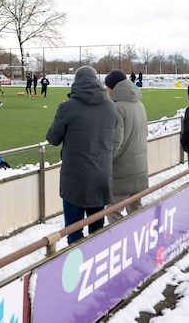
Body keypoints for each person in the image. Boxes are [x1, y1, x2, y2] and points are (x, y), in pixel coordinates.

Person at [46, 65, 116, 244]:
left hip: (75, 180)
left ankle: (77, 269)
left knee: (74, 231)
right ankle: (96, 265)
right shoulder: (110, 106)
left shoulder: (68, 107)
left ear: (76, 82)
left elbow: (53, 138)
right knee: (97, 230)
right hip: (100, 176)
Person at [104, 69, 149, 222]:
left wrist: (104, 163)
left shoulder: (116, 108)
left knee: (113, 212)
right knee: (136, 211)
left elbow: (115, 143)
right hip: (139, 167)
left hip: (122, 172)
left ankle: (122, 243)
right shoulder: (140, 104)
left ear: (113, 87)